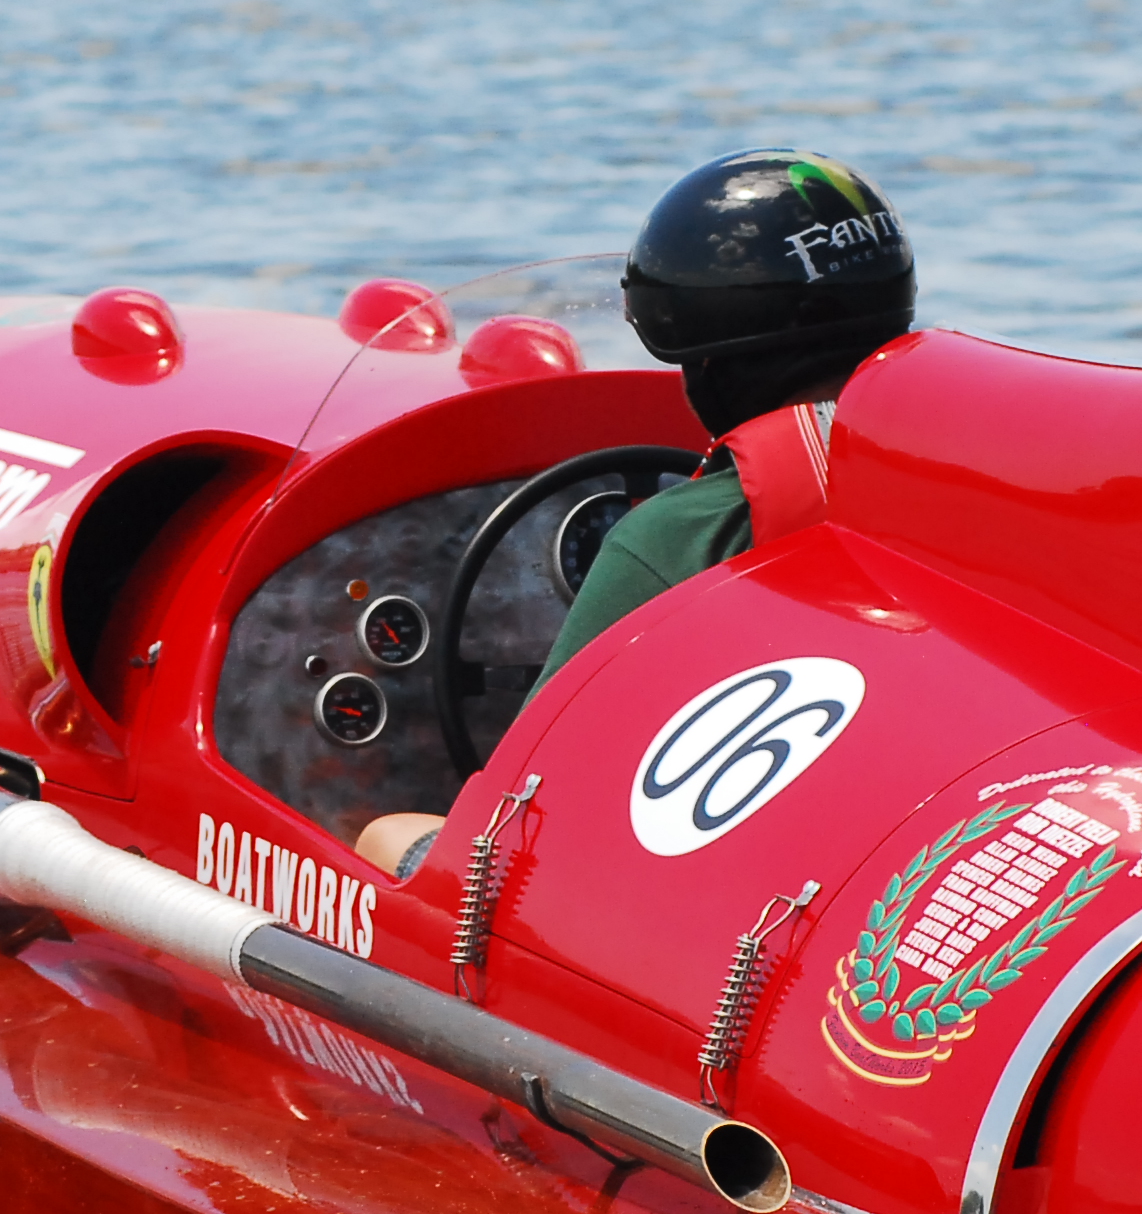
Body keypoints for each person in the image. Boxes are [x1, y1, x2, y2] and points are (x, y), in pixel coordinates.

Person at [351, 149, 915, 877]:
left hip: (712, 897)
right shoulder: (971, 483)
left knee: (389, 835)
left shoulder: (678, 536)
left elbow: (521, 808)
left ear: (709, 362)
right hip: (880, 855)